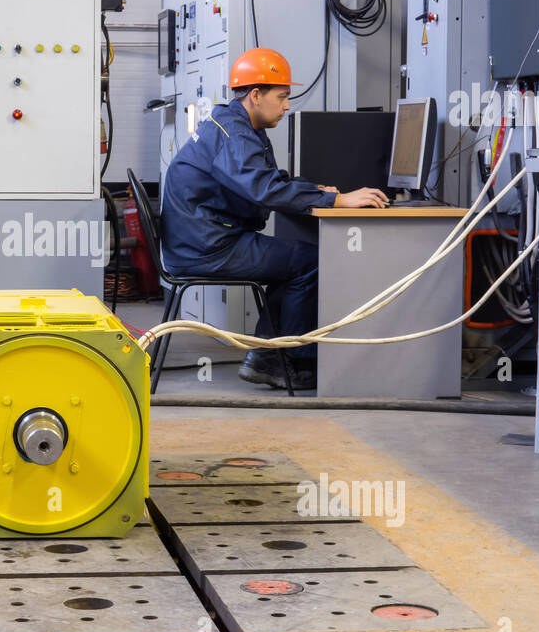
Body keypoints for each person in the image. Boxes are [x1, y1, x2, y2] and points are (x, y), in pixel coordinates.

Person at [159, 48, 389, 390]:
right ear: (255, 95)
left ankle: (266, 355)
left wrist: (313, 190)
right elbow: (263, 189)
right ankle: (287, 361)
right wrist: (336, 200)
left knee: (294, 259)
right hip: (207, 247)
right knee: (309, 262)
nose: (286, 106)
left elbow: (266, 179)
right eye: (281, 97)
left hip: (202, 240)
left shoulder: (236, 124)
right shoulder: (234, 133)